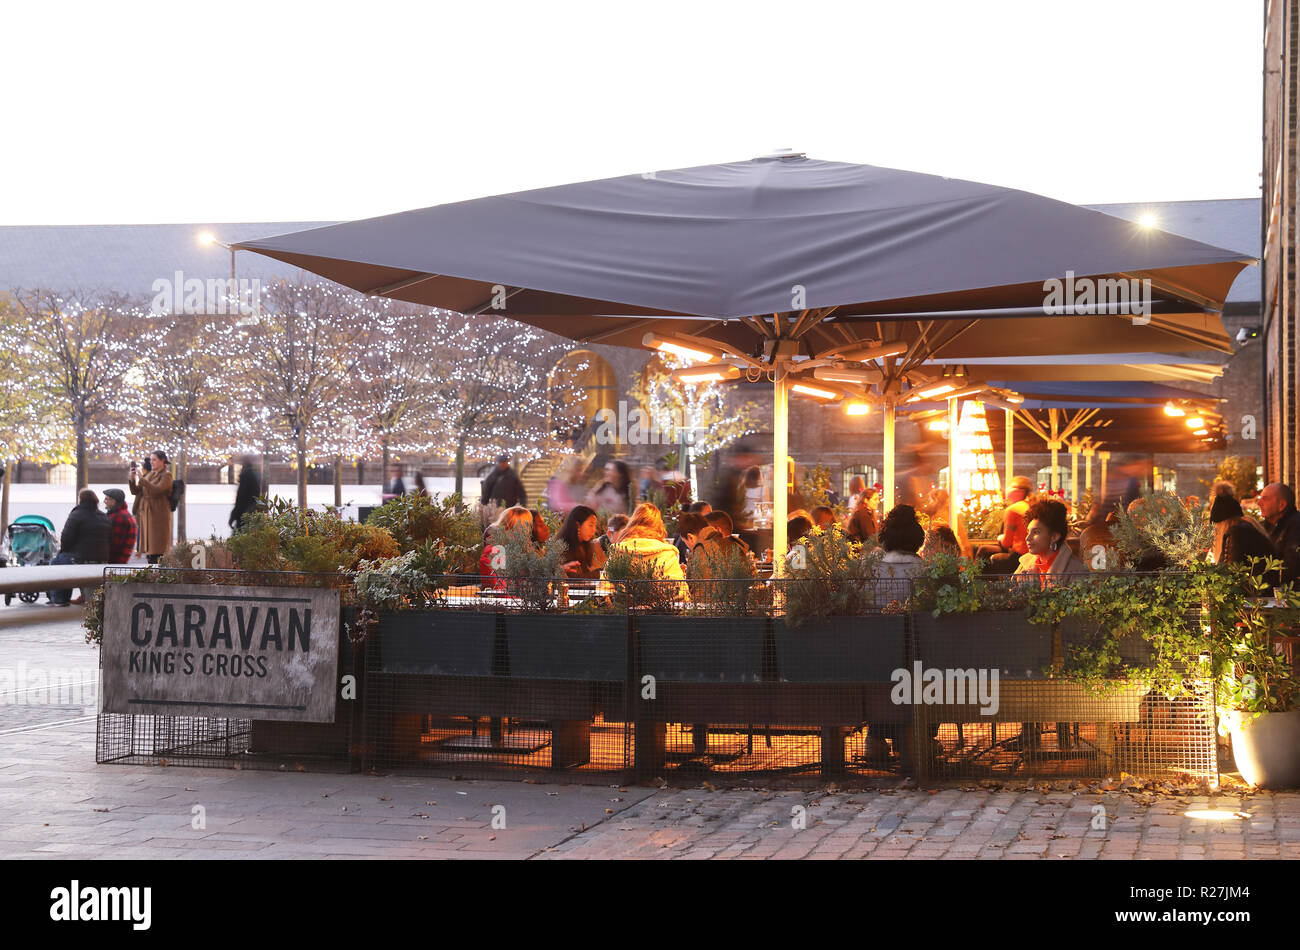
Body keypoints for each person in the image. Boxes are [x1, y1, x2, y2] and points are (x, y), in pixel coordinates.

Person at [48, 488, 111, 605]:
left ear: (80, 500)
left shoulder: (76, 515)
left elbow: (66, 539)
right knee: (64, 559)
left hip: (80, 558)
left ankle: (60, 599)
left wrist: (64, 552)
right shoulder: (104, 517)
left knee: (57, 562)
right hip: (102, 559)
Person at [600, 502, 685, 583]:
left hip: (623, 598)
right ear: (659, 525)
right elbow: (679, 591)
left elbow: (604, 587)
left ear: (633, 522)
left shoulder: (618, 551)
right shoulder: (667, 553)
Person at [1013, 497, 1088, 585]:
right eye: (1028, 532)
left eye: (1036, 532)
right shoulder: (1025, 564)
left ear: (1054, 537)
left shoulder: (1076, 571)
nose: (1027, 538)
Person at [1210, 493, 1277, 580]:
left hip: (1255, 590)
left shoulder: (1236, 533)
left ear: (1220, 524)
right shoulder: (1247, 527)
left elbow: (1230, 575)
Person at [976, 475, 1032, 574]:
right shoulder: (1029, 507)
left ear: (1019, 491)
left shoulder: (1012, 510)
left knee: (983, 550)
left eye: (1011, 487)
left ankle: (979, 582)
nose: (1008, 489)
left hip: (1019, 555)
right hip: (1031, 553)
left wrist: (1000, 537)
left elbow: (1006, 543)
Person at [128, 450, 173, 565]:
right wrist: (132, 479)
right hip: (147, 512)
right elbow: (136, 491)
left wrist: (142, 479)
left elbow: (157, 490)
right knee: (149, 545)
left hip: (158, 512)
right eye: (151, 460)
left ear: (162, 461)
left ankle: (157, 563)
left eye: (154, 460)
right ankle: (151, 560)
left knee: (158, 544)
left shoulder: (167, 475)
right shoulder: (151, 474)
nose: (151, 462)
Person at [479, 506, 534, 588]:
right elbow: (500, 587)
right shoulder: (496, 550)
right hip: (503, 599)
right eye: (527, 525)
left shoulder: (510, 548)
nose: (528, 530)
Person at [1258, 482, 1300, 589]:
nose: (1259, 503)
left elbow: (1289, 568)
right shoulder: (1264, 526)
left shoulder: (1296, 526)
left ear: (1281, 505)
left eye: (1265, 499)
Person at [558, 504, 606, 579]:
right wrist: (601, 572)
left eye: (595, 526)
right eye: (590, 525)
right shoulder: (563, 547)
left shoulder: (584, 545)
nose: (594, 530)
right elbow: (575, 579)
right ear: (578, 525)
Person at [1076, 503, 1120, 571]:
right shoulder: (1128, 536)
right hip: (1123, 578)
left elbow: (1081, 560)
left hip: (1092, 578)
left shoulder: (1087, 532)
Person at [103, 489, 138, 565]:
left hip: (114, 562)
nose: (104, 501)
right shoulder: (124, 514)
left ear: (114, 501)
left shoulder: (118, 517)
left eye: (106, 499)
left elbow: (115, 544)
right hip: (120, 561)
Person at [229, 454, 262, 533]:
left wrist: (233, 516)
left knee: (239, 539)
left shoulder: (246, 476)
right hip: (250, 513)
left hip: (244, 514)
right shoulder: (253, 476)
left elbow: (241, 499)